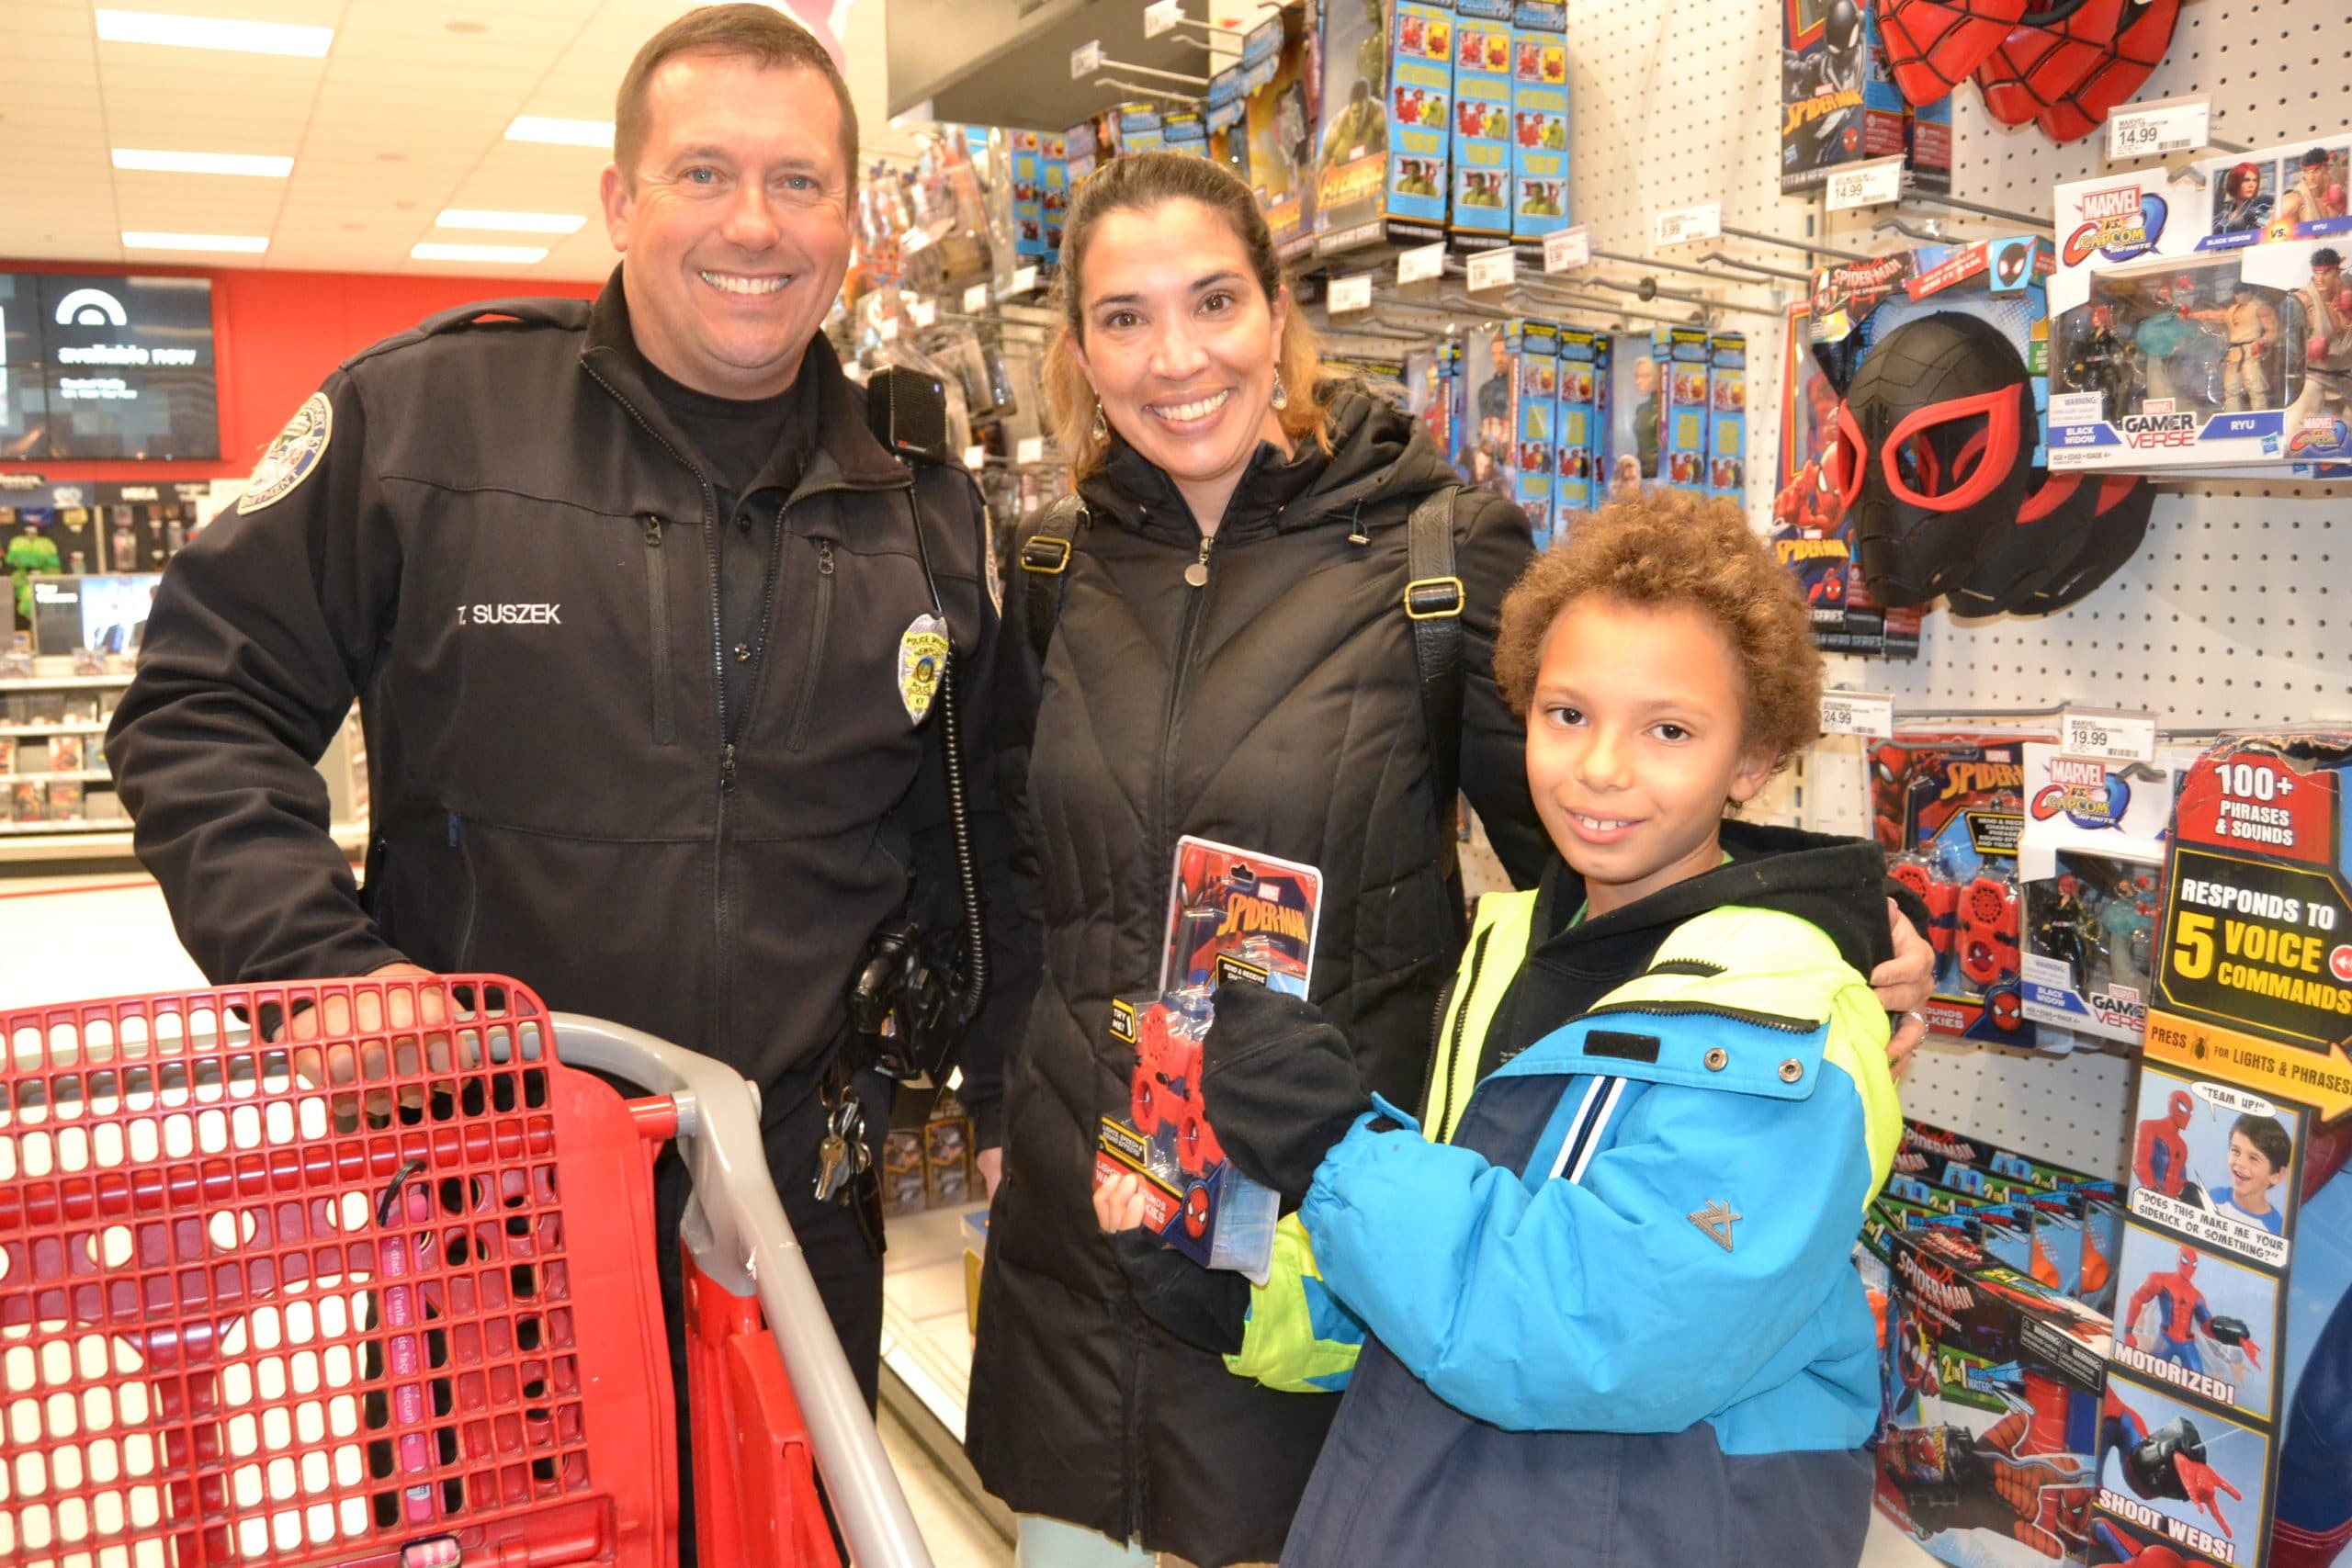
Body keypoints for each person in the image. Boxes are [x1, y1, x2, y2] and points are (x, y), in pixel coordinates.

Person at [104, 4, 1031, 1555]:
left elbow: (980, 811)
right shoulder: (425, 423)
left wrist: (1000, 1076)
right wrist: (316, 968)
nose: (754, 224)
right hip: (498, 1198)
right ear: (618, 201)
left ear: (855, 226)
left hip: (793, 1199)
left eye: (800, 183)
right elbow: (200, 704)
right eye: (705, 174)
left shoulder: (919, 500)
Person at [968, 151, 1932, 1568]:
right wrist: (1005, 1109)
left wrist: (1819, 930)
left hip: (1336, 1232)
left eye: (1214, 300)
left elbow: (1611, 846)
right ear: (1079, 350)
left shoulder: (1435, 552)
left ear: (1279, 306)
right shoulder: (1053, 569)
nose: (1175, 356)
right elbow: (1016, 864)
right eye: (1124, 316)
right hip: (1093, 1227)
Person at [1181, 494, 1906, 1566]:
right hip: (1438, 1499)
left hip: (1657, 1521)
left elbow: (1610, 1328)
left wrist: (1333, 1148)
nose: (1602, 767)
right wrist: (1241, 1289)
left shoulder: (1789, 1009)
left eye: (1668, 730)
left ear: (1750, 763)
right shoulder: (1512, 940)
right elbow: (1446, 1257)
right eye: (1567, 714)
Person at [2284, 247, 2351, 442]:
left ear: (2337, 271)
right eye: (2316, 273)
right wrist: (2305, 350)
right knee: (2294, 432)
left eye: (2326, 273)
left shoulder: (2349, 292)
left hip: (2346, 376)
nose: (2320, 279)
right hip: (2315, 377)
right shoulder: (2303, 300)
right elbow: (2287, 340)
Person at [2215, 1113, 2292, 1235]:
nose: (2240, 1163)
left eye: (2253, 1158)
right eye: (2235, 1151)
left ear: (2277, 1175)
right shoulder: (2214, 1198)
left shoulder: (2277, 1231)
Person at [2276, 146, 2348, 228]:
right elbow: (2267, 234)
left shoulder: (2340, 192)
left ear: (2326, 168)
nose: (2311, 178)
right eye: (2307, 172)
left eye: (2315, 171)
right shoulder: (2294, 200)